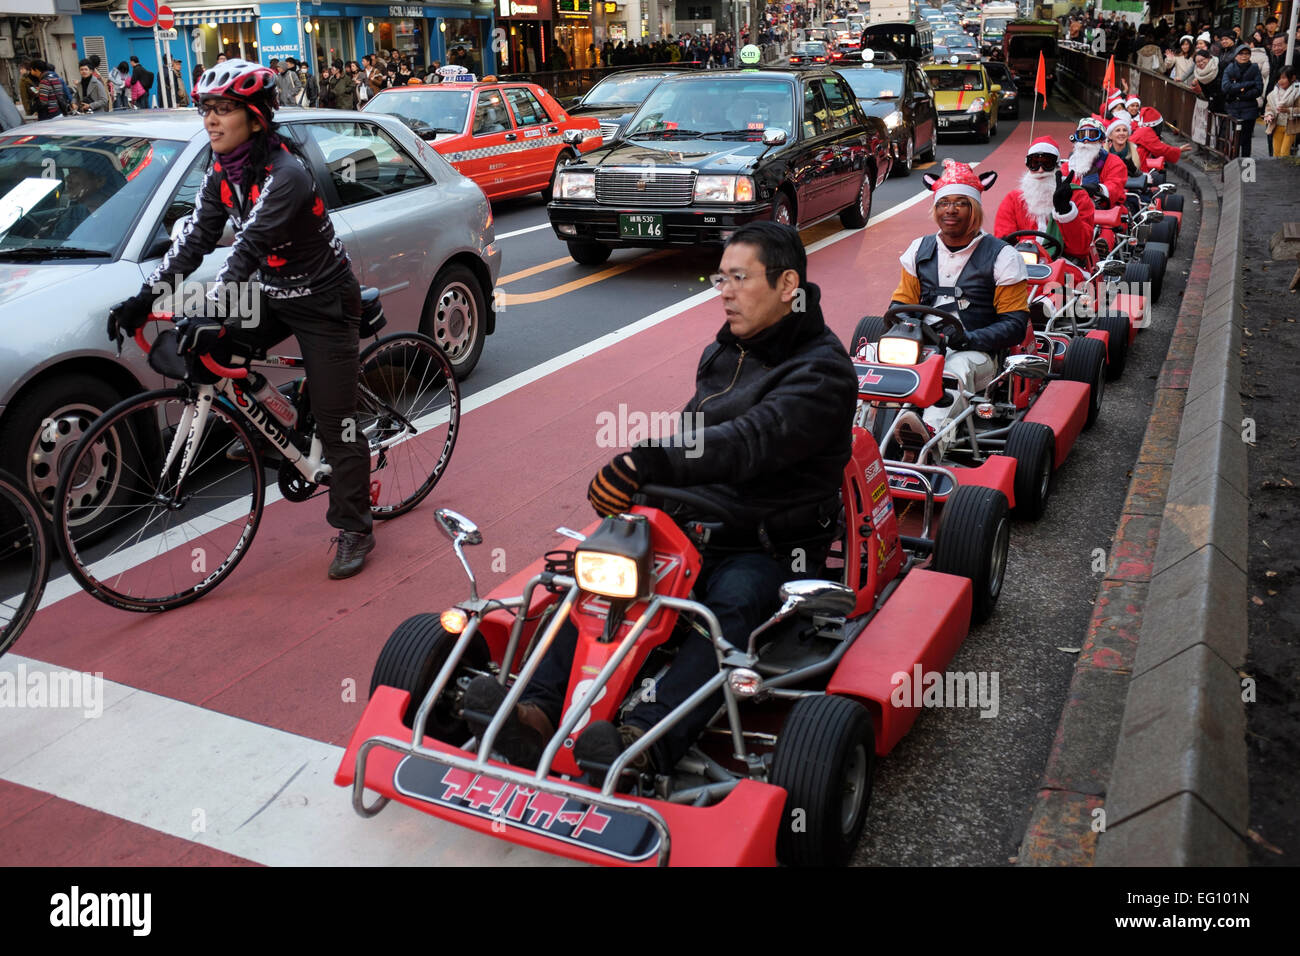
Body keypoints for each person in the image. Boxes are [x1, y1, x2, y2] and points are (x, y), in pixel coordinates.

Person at [461, 222, 859, 780]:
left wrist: (647, 463)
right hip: (689, 525)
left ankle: (643, 741)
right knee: (598, 582)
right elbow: (693, 435)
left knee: (723, 612)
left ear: (788, 283)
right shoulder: (728, 350)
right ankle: (538, 715)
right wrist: (642, 490)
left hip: (768, 543)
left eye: (739, 279)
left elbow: (750, 441)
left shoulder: (823, 372)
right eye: (721, 278)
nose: (723, 291)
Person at [104, 60, 376, 580]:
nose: (211, 119)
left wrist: (206, 308)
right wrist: (146, 296)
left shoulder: (286, 174)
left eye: (224, 109)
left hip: (325, 301)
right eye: (207, 109)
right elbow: (196, 239)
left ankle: (355, 525)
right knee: (209, 348)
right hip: (273, 294)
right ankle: (280, 412)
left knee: (340, 427)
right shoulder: (221, 171)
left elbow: (246, 247)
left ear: (254, 118)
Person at [995, 137, 1096, 264]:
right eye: (1034, 163)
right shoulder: (1013, 199)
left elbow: (1081, 248)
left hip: (1065, 262)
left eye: (1047, 163)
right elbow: (1002, 240)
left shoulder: (1077, 195)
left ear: (1057, 165)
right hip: (1021, 263)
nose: (1040, 169)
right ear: (1027, 164)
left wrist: (1066, 212)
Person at [1063, 117, 1127, 210]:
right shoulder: (1069, 165)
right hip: (1073, 210)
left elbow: (1115, 187)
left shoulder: (1115, 162)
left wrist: (1099, 189)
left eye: (1092, 135)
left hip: (1104, 213)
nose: (1086, 140)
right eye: (1081, 135)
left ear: (1101, 139)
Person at [1221, 44, 1264, 158]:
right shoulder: (1230, 68)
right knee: (1233, 137)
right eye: (1241, 54)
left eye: (1247, 54)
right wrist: (1248, 85)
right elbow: (1225, 88)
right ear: (1235, 56)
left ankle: (1246, 162)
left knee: (1246, 138)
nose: (1244, 56)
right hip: (1232, 108)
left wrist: (1240, 94)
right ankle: (1232, 160)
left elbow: (1258, 89)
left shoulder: (1254, 68)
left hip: (1249, 108)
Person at [1264, 66, 1299, 158]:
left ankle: (1286, 172)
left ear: (1293, 78)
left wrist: (1288, 110)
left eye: (1283, 78)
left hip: (1291, 127)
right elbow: (1269, 107)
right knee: (1276, 152)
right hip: (1276, 125)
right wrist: (1269, 115)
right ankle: (1277, 172)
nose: (1280, 81)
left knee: (1284, 153)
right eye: (1278, 78)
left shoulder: (1298, 92)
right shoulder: (1273, 94)